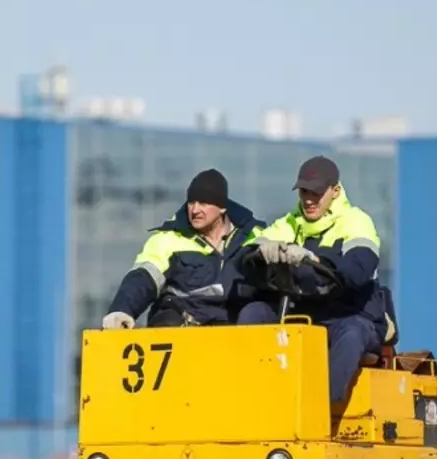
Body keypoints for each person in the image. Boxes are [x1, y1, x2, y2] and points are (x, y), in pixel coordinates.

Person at [237, 155, 389, 402]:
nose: (308, 200)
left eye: (316, 193)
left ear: (335, 191)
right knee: (254, 313)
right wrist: (260, 251)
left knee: (352, 333)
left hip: (349, 316)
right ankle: (251, 396)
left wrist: (316, 260)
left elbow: (357, 269)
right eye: (304, 192)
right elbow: (243, 258)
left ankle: (322, 411)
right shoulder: (290, 222)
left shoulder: (356, 222)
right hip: (305, 315)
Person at [102, 169, 266, 329]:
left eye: (203, 203)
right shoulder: (168, 239)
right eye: (191, 202)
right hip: (183, 327)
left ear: (222, 208)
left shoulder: (255, 237)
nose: (195, 210)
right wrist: (122, 310)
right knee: (167, 321)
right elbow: (143, 277)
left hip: (236, 333)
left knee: (258, 312)